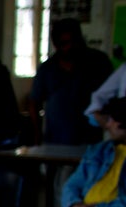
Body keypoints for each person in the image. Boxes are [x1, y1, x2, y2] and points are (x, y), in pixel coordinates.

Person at [30, 18, 112, 146]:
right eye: (64, 43)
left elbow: (113, 97)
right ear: (56, 44)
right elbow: (34, 102)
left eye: (74, 42)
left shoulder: (98, 62)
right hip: (56, 140)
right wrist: (36, 134)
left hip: (90, 139)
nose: (70, 47)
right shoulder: (47, 68)